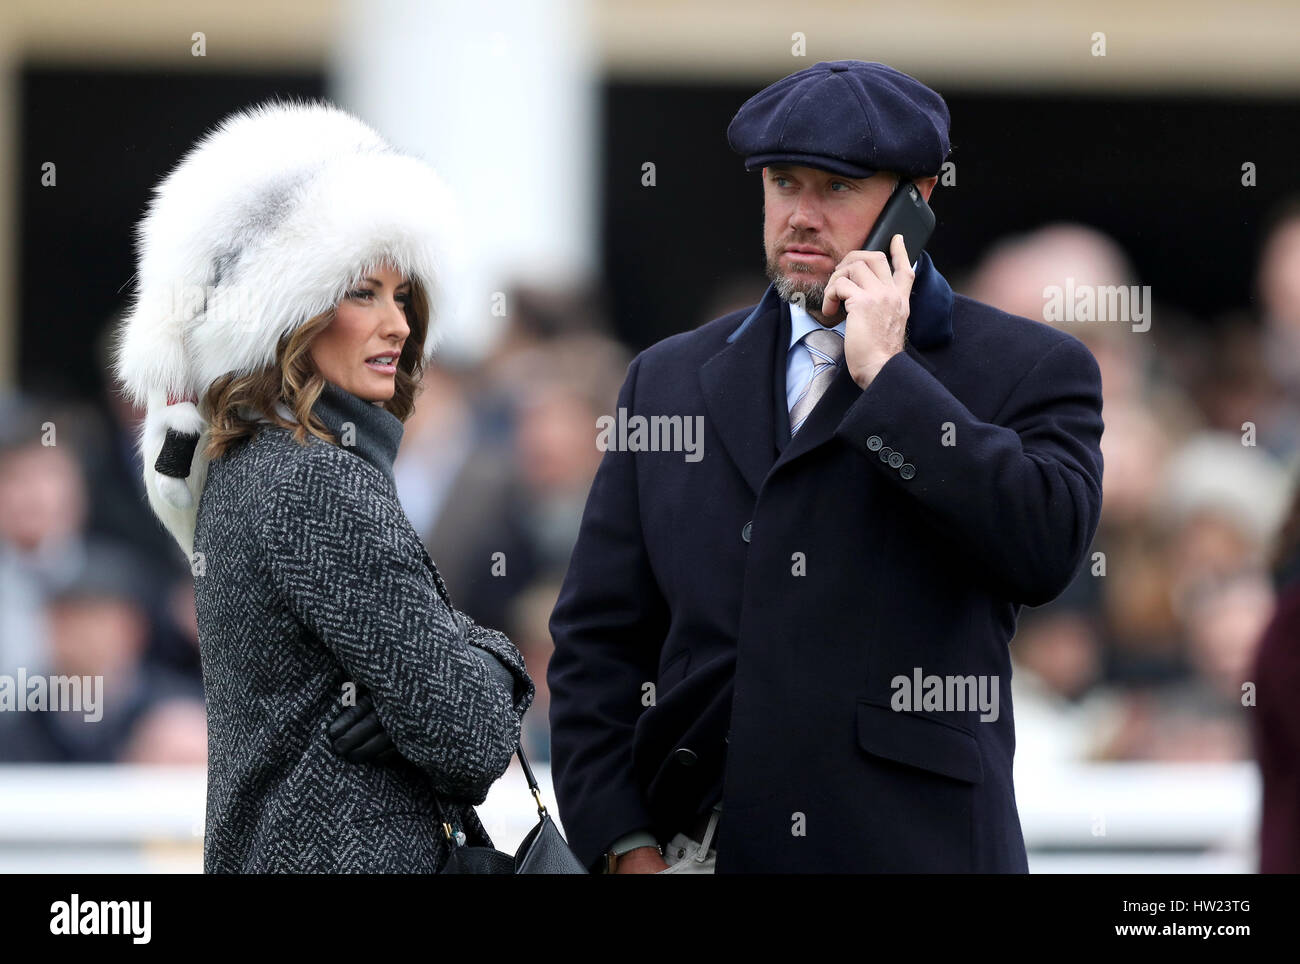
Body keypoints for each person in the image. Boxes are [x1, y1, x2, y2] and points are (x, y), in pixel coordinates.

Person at [547, 61, 1105, 873]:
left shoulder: (1030, 366)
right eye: (783, 184)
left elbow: (1046, 546)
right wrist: (623, 843)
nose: (800, 217)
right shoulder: (667, 378)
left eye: (836, 189)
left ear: (917, 201)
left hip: (917, 852)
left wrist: (891, 378)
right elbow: (598, 641)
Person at [111, 100, 533, 872]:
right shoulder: (315, 482)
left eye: (403, 294)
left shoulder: (248, 466)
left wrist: (423, 683)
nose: (399, 324)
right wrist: (494, 660)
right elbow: (473, 742)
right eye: (362, 291)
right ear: (288, 314)